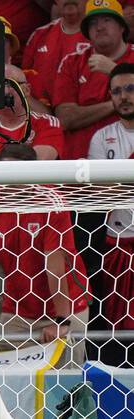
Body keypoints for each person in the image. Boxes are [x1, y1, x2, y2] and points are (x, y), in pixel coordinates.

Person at [0, 142, 91, 350]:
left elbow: (54, 269)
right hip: (17, 309)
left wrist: (62, 321)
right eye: (5, 172)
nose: (10, 181)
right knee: (8, 378)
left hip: (67, 307)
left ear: (33, 175)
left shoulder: (52, 203)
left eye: (17, 173)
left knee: (66, 380)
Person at [54, 0, 134, 159]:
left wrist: (114, 71)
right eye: (93, 23)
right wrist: (118, 103)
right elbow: (66, 118)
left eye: (107, 20)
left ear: (122, 27)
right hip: (79, 166)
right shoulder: (72, 62)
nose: (100, 27)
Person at [87, 61, 134, 332]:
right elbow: (99, 191)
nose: (123, 96)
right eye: (117, 91)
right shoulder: (101, 137)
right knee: (119, 326)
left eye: (130, 88)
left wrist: (117, 184)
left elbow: (110, 186)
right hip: (118, 243)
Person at [23, 0, 87, 109]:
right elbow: (24, 81)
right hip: (41, 116)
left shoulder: (98, 35)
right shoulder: (39, 35)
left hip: (84, 115)